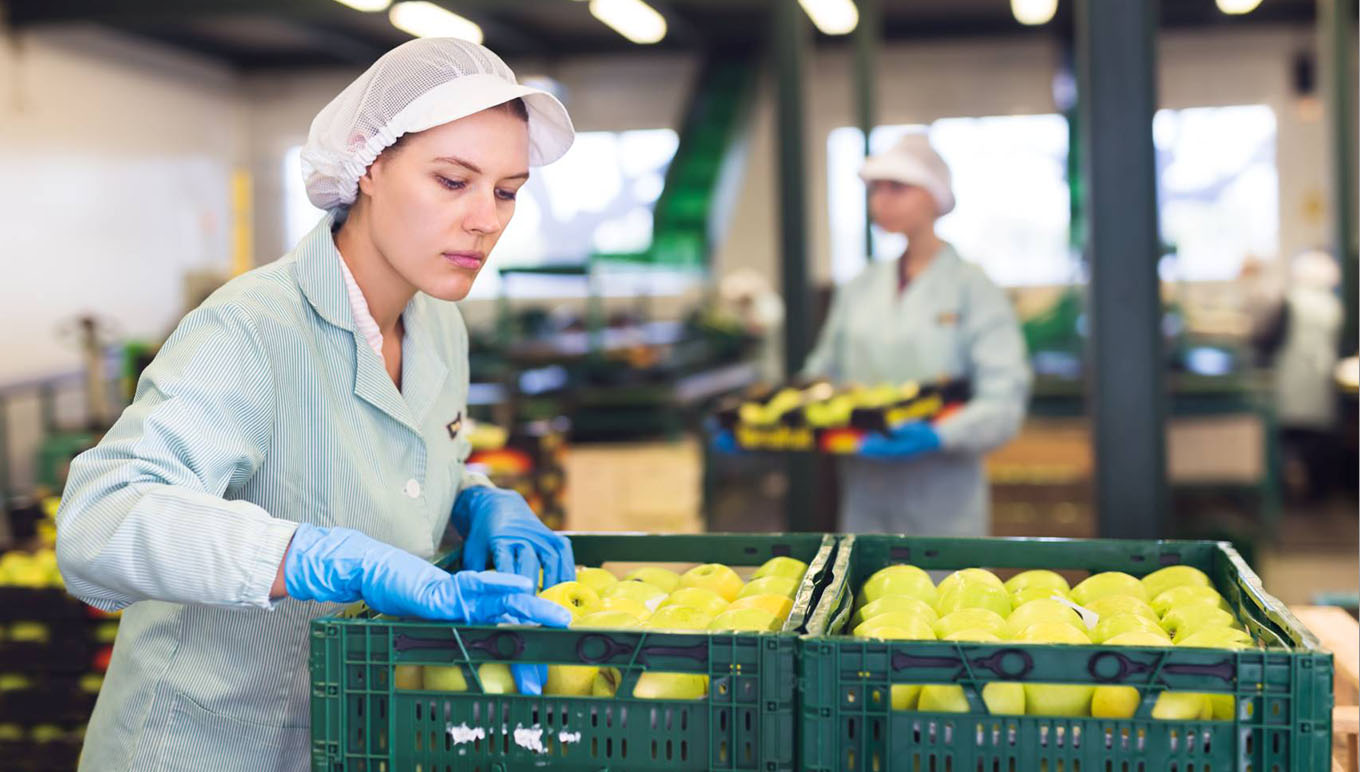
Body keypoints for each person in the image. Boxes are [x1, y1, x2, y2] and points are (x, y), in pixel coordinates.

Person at [54, 38, 577, 772]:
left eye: (506, 190)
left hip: (354, 739)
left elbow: (405, 459)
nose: (485, 219)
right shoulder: (253, 327)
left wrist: (475, 500)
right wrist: (311, 557)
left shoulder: (439, 325)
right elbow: (98, 521)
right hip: (205, 748)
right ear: (368, 166)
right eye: (454, 180)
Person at [803, 132, 1031, 536]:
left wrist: (937, 435)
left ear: (933, 196)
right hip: (864, 495)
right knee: (866, 594)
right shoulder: (860, 287)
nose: (881, 201)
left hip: (943, 501)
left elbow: (1004, 399)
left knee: (947, 594)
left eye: (897, 188)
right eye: (875, 190)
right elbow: (822, 371)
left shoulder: (972, 288)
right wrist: (776, 416)